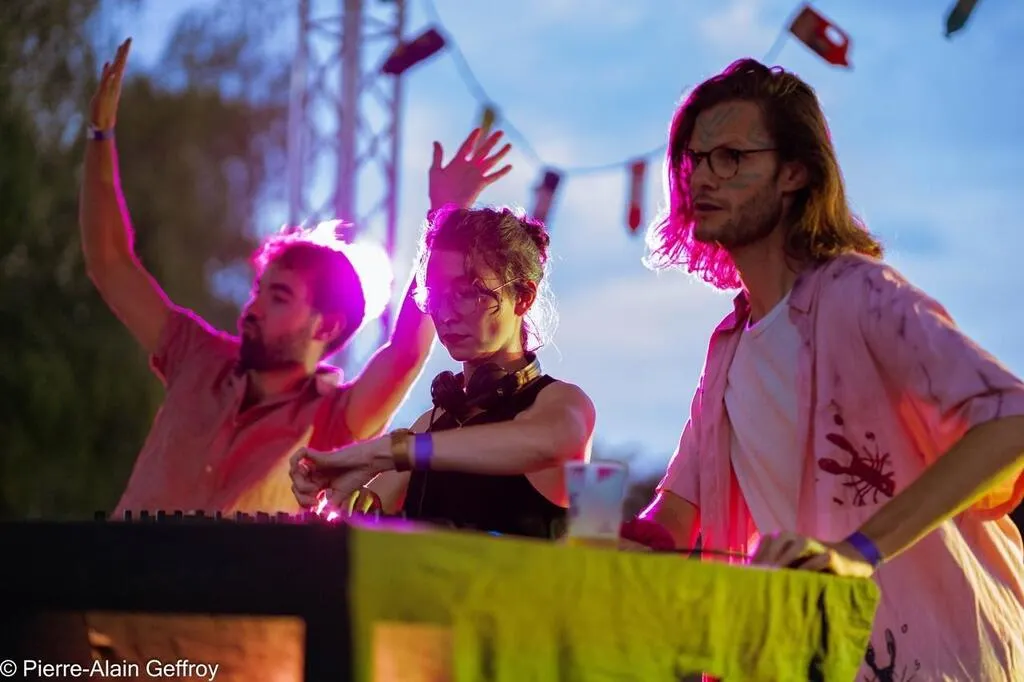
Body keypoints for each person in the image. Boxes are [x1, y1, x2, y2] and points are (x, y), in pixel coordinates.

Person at [626, 58, 1024, 679]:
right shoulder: (727, 347)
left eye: (730, 157)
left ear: (795, 172)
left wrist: (857, 552)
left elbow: (1011, 422)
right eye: (693, 159)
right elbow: (676, 514)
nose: (700, 177)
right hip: (807, 656)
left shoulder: (860, 293)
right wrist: (592, 545)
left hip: (943, 654)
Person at [81, 38, 513, 516]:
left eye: (279, 297)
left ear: (325, 326)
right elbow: (110, 263)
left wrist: (444, 215)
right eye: (259, 291)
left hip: (233, 594)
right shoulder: (197, 356)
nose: (254, 306)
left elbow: (407, 348)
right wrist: (99, 137)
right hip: (113, 584)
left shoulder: (334, 419)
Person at [289, 205, 596, 540]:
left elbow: (548, 442)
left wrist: (381, 453)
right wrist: (333, 492)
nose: (446, 314)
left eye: (467, 293)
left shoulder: (563, 403)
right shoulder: (433, 423)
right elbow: (368, 514)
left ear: (522, 297)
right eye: (435, 295)